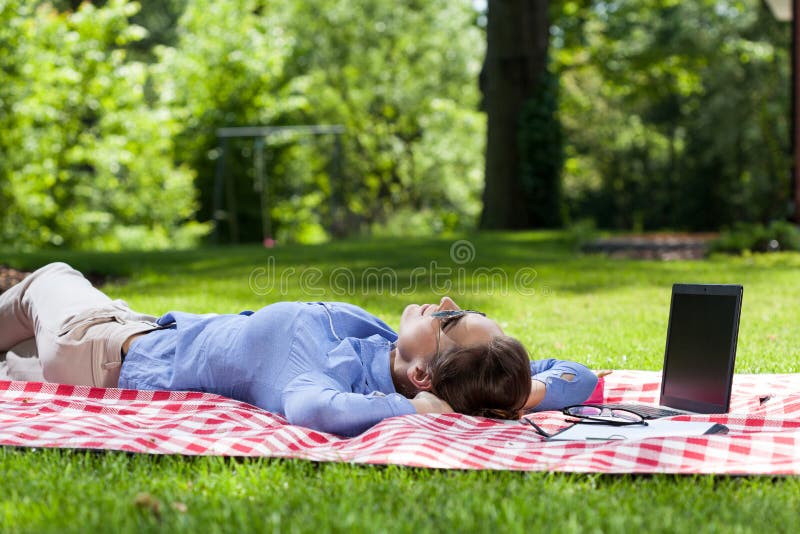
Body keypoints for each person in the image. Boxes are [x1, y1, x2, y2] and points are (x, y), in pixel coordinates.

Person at [0, 262, 598, 436]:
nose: (443, 301)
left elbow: (314, 409)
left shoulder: (315, 362)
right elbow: (582, 376)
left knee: (47, 279)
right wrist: (527, 393)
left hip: (103, 350)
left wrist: (418, 414)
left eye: (452, 319)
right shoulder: (382, 352)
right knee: (14, 353)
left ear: (421, 376)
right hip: (147, 331)